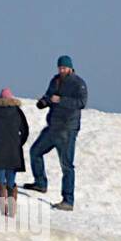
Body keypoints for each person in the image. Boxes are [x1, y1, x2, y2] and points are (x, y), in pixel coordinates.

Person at [24, 54, 88, 211]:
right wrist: (43, 102)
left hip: (67, 129)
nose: (62, 70)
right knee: (35, 152)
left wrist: (61, 100)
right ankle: (40, 183)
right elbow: (49, 96)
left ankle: (68, 201)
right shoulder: (55, 80)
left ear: (71, 68)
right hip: (52, 127)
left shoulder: (78, 83)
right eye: (60, 68)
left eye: (64, 68)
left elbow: (81, 103)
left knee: (66, 165)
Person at [0, 87, 29, 218]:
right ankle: (12, 213)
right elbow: (25, 131)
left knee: (0, 182)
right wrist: (18, 144)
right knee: (11, 183)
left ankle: (4, 212)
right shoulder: (17, 111)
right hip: (14, 151)